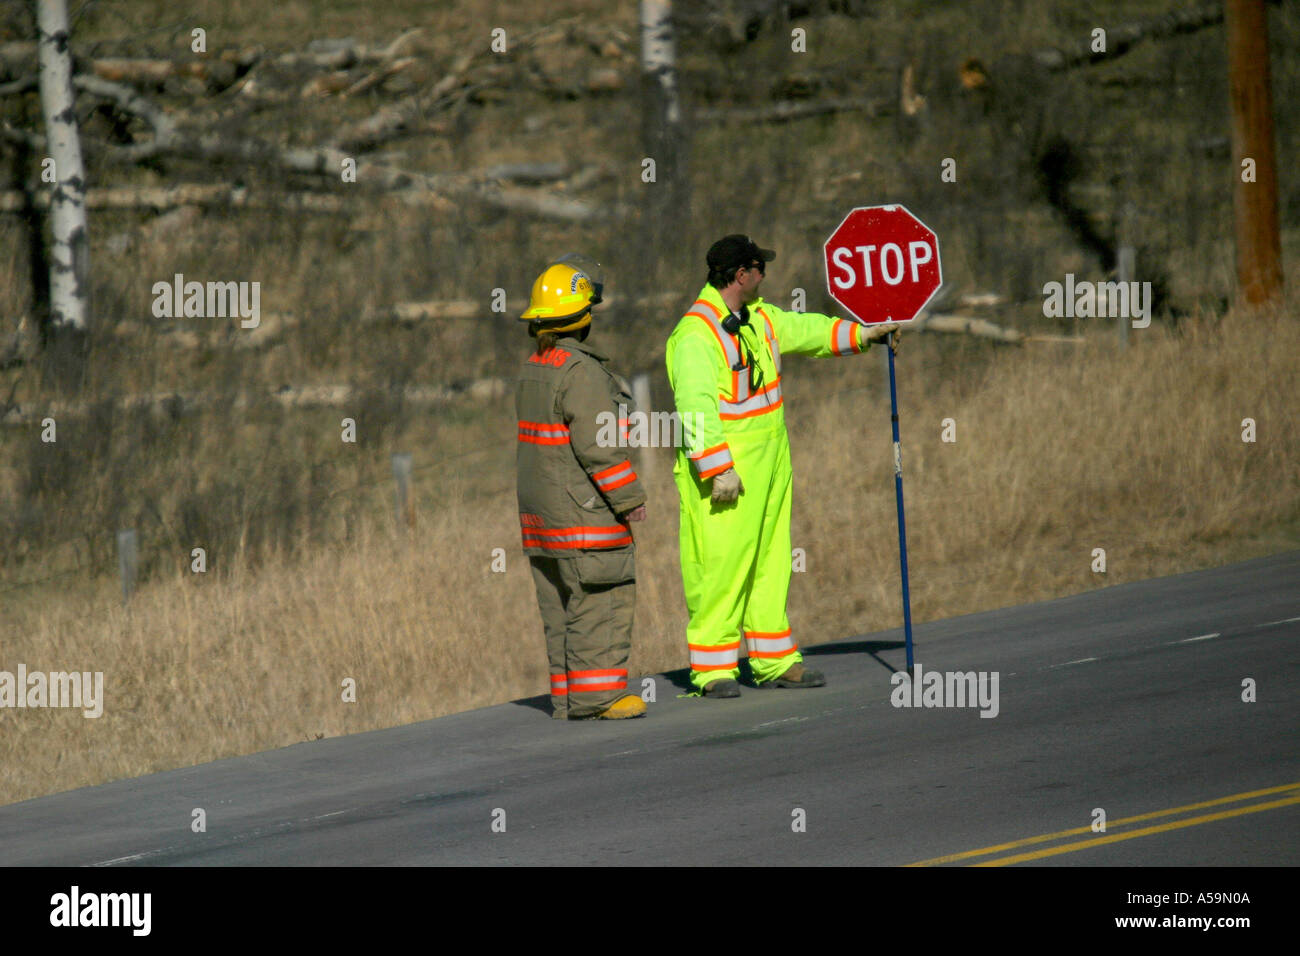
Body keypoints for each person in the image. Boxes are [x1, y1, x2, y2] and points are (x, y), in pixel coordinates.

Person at [666, 234, 899, 698]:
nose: (766, 276)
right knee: (722, 565)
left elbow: (805, 330)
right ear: (740, 275)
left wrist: (862, 334)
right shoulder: (696, 334)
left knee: (772, 562)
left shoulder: (758, 318)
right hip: (727, 472)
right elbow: (694, 408)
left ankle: (773, 661)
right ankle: (713, 669)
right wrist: (717, 468)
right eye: (760, 268)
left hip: (771, 461)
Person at [516, 254, 648, 720]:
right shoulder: (582, 373)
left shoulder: (536, 367)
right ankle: (599, 698)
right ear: (584, 317)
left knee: (559, 609)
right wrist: (629, 500)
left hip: (541, 520)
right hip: (583, 516)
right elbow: (600, 446)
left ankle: (567, 699)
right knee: (600, 602)